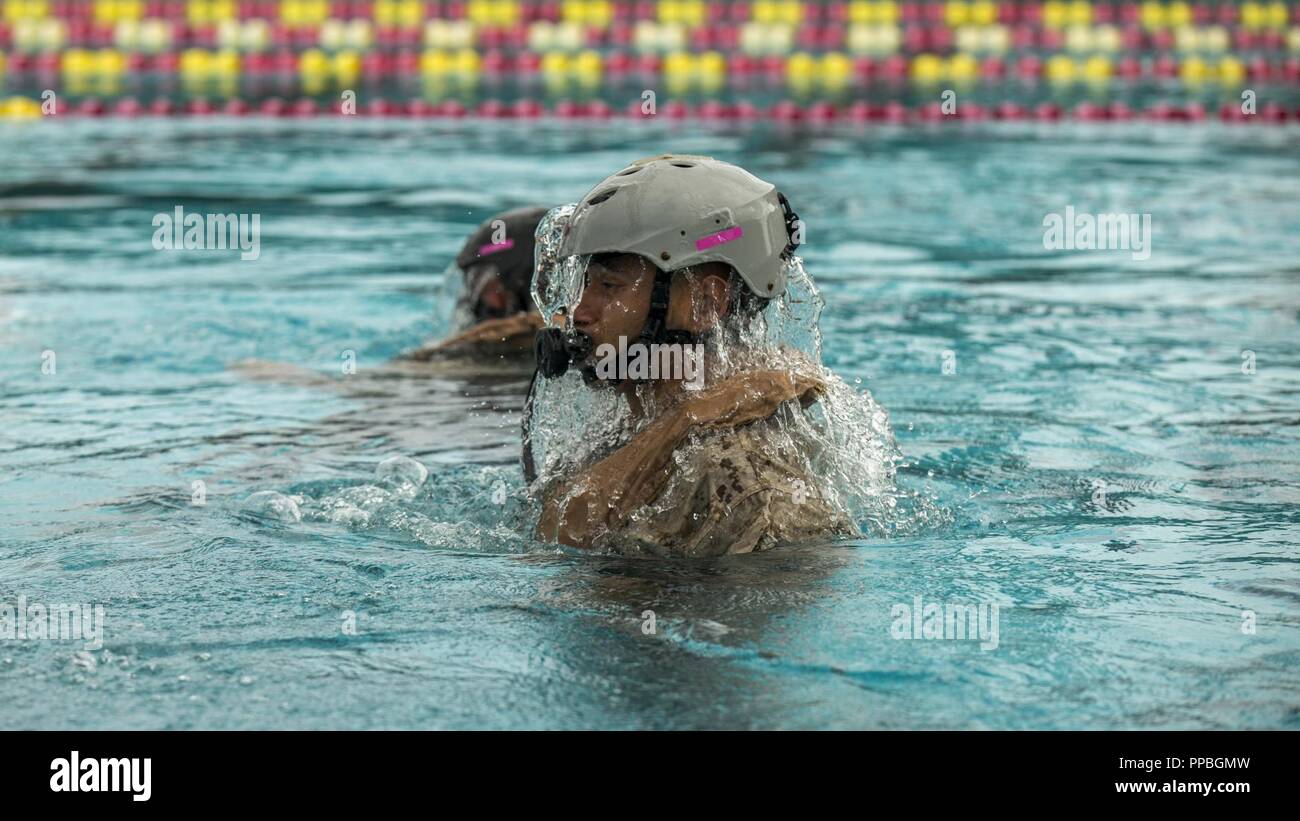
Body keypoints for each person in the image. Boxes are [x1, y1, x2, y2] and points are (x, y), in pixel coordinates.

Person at [527, 154, 860, 556]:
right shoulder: (632, 431)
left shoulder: (750, 486)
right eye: (586, 285)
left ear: (705, 303)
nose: (580, 313)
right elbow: (559, 530)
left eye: (610, 287)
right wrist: (684, 420)